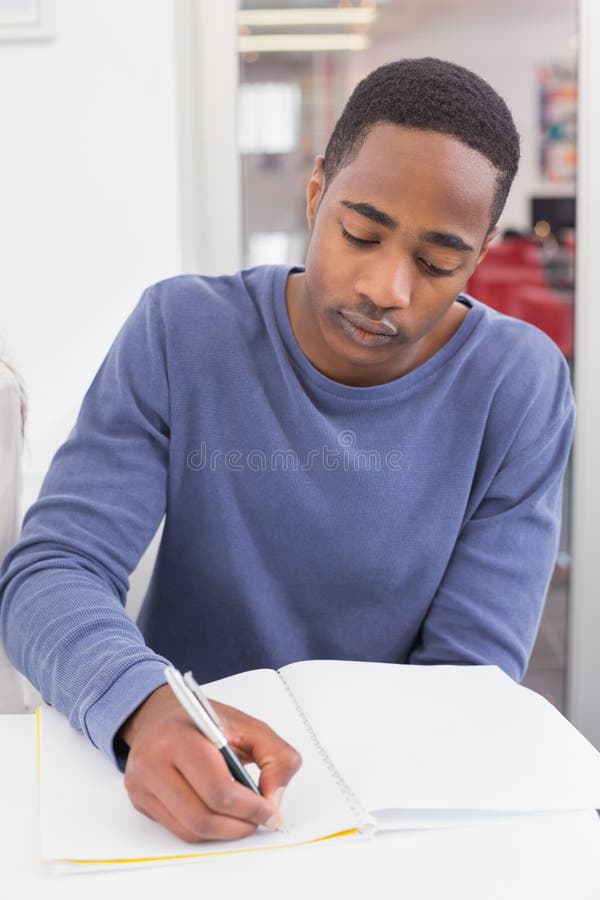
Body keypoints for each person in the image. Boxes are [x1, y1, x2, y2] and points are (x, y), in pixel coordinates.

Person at [0, 58, 574, 843]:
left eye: (437, 262)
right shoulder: (183, 331)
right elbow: (49, 571)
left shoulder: (520, 385)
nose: (387, 288)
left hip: (382, 803)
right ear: (315, 194)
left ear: (479, 257)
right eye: (361, 233)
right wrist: (140, 703)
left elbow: (467, 679)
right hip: (181, 758)